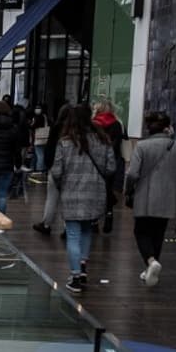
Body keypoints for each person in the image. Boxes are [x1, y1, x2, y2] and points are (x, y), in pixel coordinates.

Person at [125, 111, 176, 288]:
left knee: (141, 232)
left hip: (145, 197)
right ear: (168, 128)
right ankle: (150, 269)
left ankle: (151, 262)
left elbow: (133, 173)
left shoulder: (142, 146)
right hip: (168, 198)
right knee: (158, 234)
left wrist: (128, 190)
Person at [49, 104, 116, 293]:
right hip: (95, 193)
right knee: (87, 231)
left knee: (73, 234)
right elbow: (111, 168)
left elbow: (57, 171)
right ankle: (83, 267)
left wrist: (62, 184)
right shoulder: (103, 140)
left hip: (71, 192)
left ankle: (75, 276)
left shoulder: (65, 142)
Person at [34, 103, 72, 236]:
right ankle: (68, 227)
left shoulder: (56, 127)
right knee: (68, 199)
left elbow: (50, 148)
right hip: (72, 169)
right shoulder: (76, 129)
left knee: (51, 198)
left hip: (56, 166)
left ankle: (46, 223)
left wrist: (49, 165)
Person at [92, 101, 126, 234]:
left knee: (95, 192)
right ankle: (109, 215)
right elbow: (117, 144)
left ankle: (94, 221)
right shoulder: (117, 124)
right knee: (107, 189)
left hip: (95, 162)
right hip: (111, 161)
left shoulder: (94, 123)